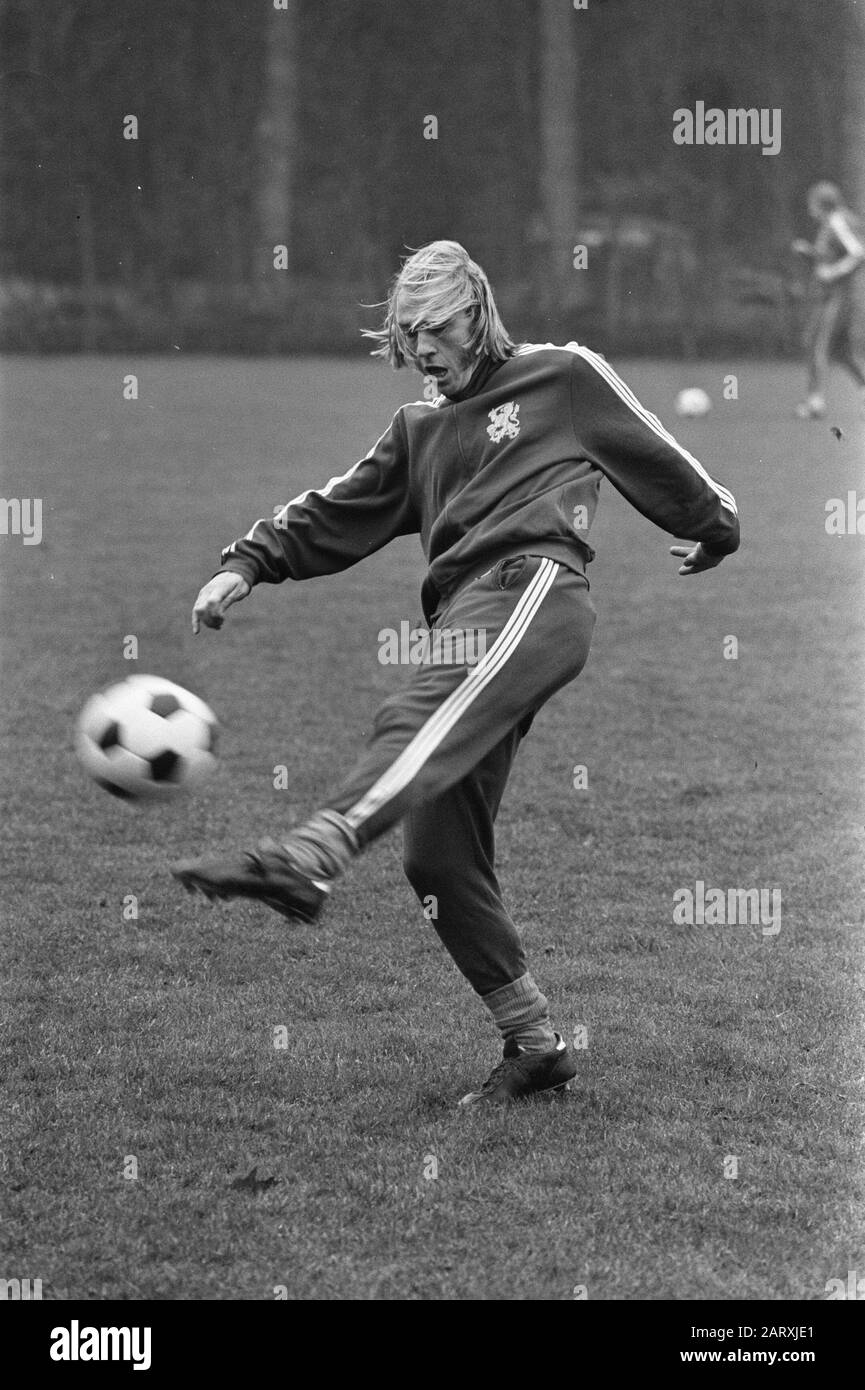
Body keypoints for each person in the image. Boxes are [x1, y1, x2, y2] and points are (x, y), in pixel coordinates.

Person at [171, 241, 739, 1106]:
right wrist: (247, 563)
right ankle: (536, 1041)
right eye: (408, 333)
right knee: (436, 854)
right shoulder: (418, 428)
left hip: (537, 589)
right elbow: (338, 507)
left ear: (477, 310)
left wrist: (715, 526)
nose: (423, 346)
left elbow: (659, 455)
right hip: (469, 609)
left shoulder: (562, 375)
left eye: (436, 326)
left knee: (418, 710)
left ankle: (310, 853)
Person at [792, 181, 865, 419]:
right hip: (834, 296)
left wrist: (833, 272)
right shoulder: (830, 224)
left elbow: (857, 252)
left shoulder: (837, 221)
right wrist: (810, 254)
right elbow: (829, 257)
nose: (809, 208)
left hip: (839, 297)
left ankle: (815, 402)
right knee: (843, 352)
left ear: (821, 203)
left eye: (812, 203)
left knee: (816, 343)